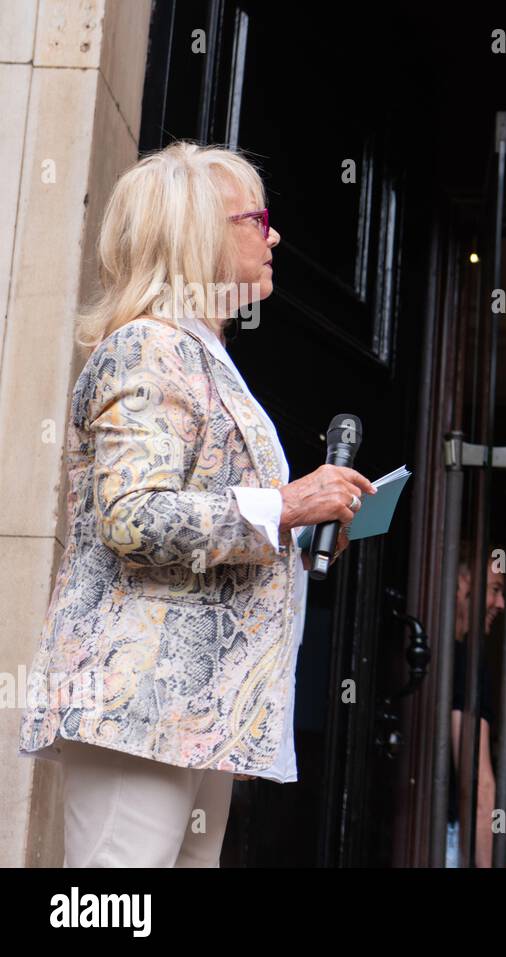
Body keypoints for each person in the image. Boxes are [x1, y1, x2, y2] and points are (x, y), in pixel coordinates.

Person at [16, 141, 375, 867]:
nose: (273, 236)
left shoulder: (204, 357)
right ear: (197, 234)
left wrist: (296, 525)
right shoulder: (146, 347)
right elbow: (133, 516)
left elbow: (211, 516)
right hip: (138, 703)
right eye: (258, 218)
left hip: (197, 712)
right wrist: (283, 505)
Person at [445, 548, 505, 868]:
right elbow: (478, 780)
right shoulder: (465, 665)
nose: (501, 604)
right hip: (446, 840)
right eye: (495, 589)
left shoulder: (434, 656)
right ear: (462, 584)